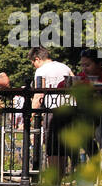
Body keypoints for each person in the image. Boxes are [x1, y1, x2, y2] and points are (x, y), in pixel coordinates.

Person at [31, 46, 76, 176]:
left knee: (53, 147)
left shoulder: (41, 71)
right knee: (64, 147)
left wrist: (30, 114)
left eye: (33, 63)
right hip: (71, 108)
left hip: (54, 111)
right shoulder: (65, 67)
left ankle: (55, 181)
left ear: (37, 59)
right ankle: (63, 178)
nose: (34, 66)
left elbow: (39, 94)